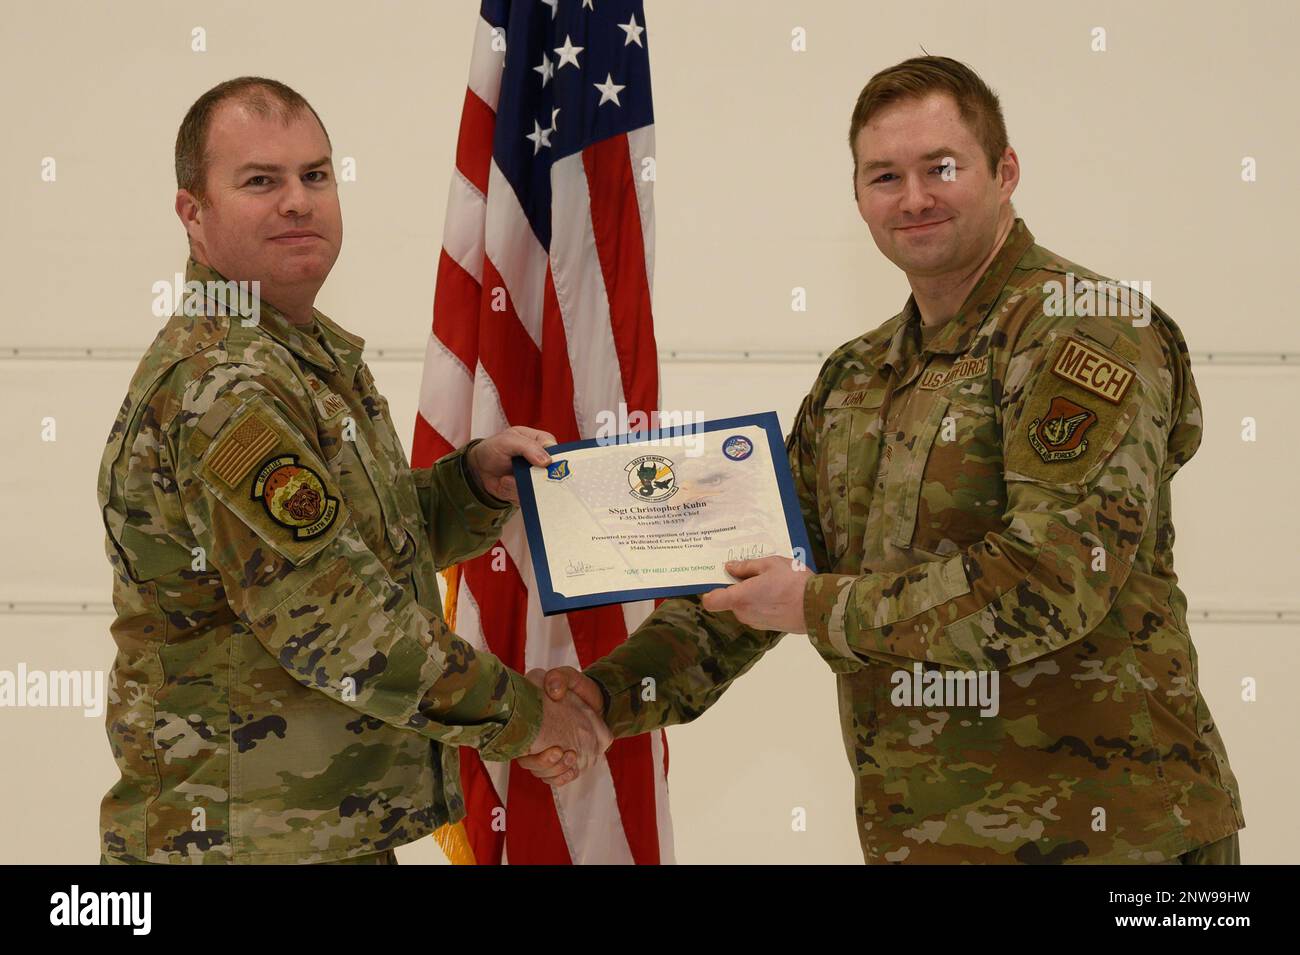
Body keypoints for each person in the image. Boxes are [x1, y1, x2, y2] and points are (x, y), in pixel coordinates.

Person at [526, 56, 1245, 864]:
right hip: (925, 840)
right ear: (859, 198)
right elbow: (751, 574)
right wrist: (606, 695)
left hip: (1118, 839)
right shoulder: (855, 375)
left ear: (1005, 171)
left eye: (942, 168)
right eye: (884, 176)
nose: (913, 198)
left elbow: (1052, 580)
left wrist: (816, 606)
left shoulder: (1084, 331)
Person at [97, 76, 606, 865]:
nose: (298, 201)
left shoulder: (297, 356)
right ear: (193, 213)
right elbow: (340, 621)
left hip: (312, 833)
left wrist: (470, 484)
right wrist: (528, 718)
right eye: (260, 181)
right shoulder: (226, 387)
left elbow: (351, 544)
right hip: (236, 843)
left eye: (316, 175)